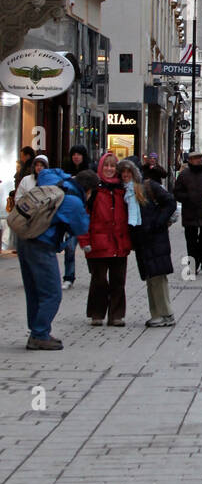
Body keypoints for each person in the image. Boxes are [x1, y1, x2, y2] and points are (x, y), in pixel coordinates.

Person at [15, 163, 92, 349]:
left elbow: (48, 170)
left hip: (23, 238)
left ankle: (37, 331)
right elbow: (81, 228)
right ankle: (39, 334)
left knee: (34, 290)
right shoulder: (74, 201)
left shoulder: (51, 180)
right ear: (88, 190)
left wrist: (66, 176)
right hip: (42, 244)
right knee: (52, 293)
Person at [119, 161, 177, 327]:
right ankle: (156, 314)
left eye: (128, 171)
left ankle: (166, 314)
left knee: (158, 278)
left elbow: (170, 202)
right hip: (142, 241)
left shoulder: (147, 186)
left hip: (155, 239)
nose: (125, 175)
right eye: (123, 172)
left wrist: (157, 223)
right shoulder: (127, 193)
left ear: (135, 172)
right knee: (151, 278)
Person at [80, 153, 134, 327]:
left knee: (119, 280)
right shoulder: (94, 190)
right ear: (100, 168)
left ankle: (116, 315)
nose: (110, 169)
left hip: (120, 242)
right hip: (98, 243)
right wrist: (84, 241)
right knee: (99, 281)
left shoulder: (123, 189)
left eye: (113, 166)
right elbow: (83, 217)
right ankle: (97, 313)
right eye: (106, 166)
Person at [173, 151, 202, 274]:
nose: (198, 160)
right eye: (195, 158)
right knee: (191, 240)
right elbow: (177, 192)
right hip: (190, 212)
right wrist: (186, 197)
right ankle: (193, 264)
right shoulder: (184, 175)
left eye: (199, 158)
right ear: (190, 161)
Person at [60, 145, 90, 287]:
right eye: (74, 154)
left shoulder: (89, 173)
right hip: (71, 217)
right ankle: (68, 277)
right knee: (70, 248)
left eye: (79, 154)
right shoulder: (65, 174)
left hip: (85, 215)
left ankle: (95, 275)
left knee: (91, 249)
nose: (76, 157)